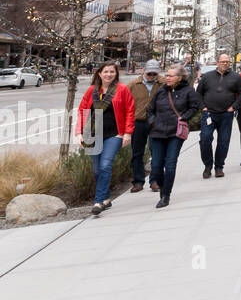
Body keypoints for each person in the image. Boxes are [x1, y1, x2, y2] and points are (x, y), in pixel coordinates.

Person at [76, 61, 135, 216]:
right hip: (92, 134)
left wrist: (127, 133)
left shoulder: (122, 90)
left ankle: (98, 202)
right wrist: (79, 133)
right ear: (99, 74)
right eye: (106, 72)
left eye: (112, 72)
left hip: (114, 134)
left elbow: (130, 110)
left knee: (105, 166)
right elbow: (82, 111)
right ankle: (106, 198)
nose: (109, 74)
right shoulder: (91, 91)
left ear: (116, 74)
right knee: (97, 170)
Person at [146, 63, 199, 208]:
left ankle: (165, 195)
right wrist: (152, 122)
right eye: (167, 75)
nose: (167, 78)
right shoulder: (161, 91)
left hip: (175, 133)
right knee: (156, 166)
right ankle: (162, 188)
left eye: (170, 75)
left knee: (170, 164)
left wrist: (184, 117)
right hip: (157, 133)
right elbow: (150, 109)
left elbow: (195, 107)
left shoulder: (188, 91)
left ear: (180, 77)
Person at [196, 53, 241, 178]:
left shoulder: (236, 77)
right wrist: (203, 107)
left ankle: (219, 167)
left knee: (223, 142)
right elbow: (198, 94)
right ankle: (207, 166)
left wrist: (233, 107)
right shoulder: (207, 77)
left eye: (227, 62)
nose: (225, 64)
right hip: (209, 114)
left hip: (226, 115)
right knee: (205, 139)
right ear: (217, 62)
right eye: (223, 61)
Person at [128, 60, 164, 192]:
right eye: (149, 73)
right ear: (144, 70)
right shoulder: (133, 85)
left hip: (157, 122)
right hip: (139, 122)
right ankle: (138, 181)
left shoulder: (163, 83)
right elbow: (125, 104)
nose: (152, 76)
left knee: (157, 152)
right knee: (137, 152)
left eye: (154, 73)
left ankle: (154, 180)